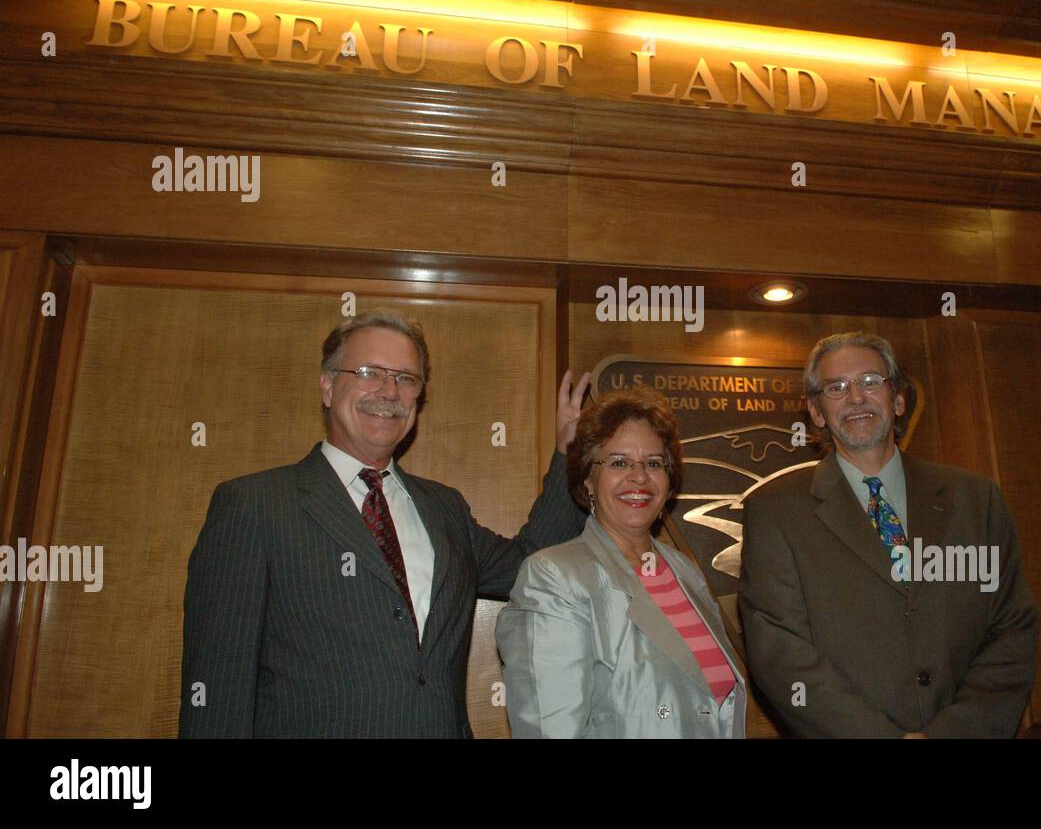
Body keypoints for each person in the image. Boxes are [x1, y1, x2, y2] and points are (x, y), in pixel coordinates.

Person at [180, 307, 589, 738]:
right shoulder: (254, 506)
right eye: (369, 372)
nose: (389, 391)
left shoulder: (445, 508)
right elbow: (217, 682)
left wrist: (569, 457)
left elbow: (531, 564)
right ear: (327, 385)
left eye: (406, 378)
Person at [739, 331, 1038, 738]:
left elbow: (1011, 629)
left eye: (870, 381)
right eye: (837, 387)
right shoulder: (775, 510)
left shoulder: (975, 500)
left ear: (897, 399)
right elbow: (781, 654)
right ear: (816, 412)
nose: (856, 397)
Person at [495, 387, 747, 738]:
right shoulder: (554, 575)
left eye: (654, 463)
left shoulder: (684, 570)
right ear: (587, 479)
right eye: (618, 462)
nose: (639, 476)